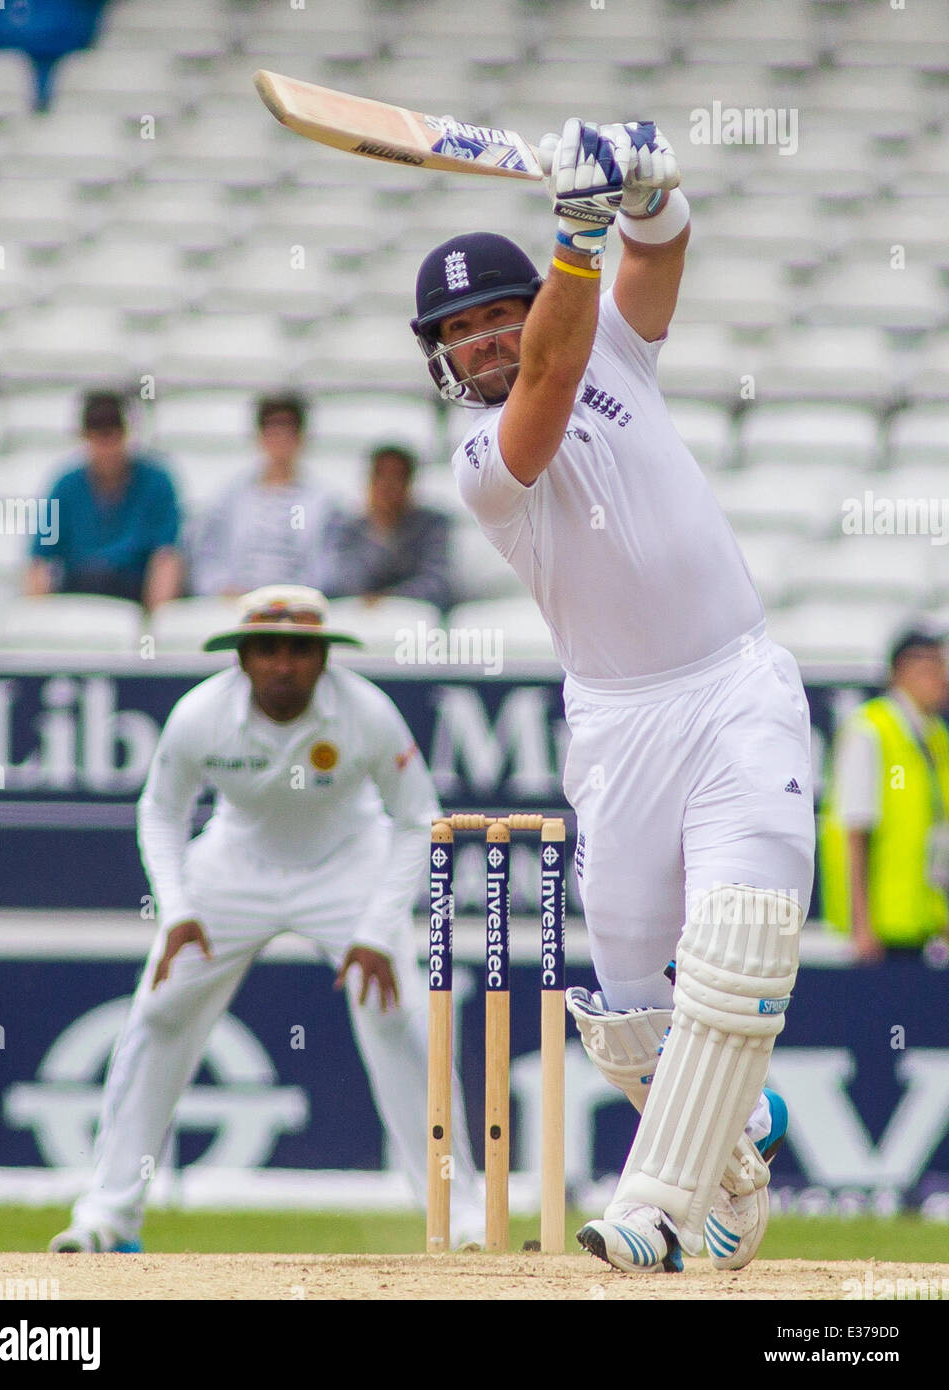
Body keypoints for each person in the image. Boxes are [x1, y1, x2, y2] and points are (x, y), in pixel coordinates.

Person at [410, 119, 815, 1273]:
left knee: (739, 944)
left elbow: (657, 261)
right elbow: (547, 370)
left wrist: (649, 190)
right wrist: (579, 230)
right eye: (458, 332)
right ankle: (730, 1152)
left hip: (734, 685)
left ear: (531, 302)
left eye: (495, 313)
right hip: (618, 725)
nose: (482, 342)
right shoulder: (484, 463)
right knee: (630, 1008)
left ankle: (655, 1208)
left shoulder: (617, 351)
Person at [49, 585, 482, 1253]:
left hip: (348, 865)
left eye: (301, 650)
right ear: (243, 657)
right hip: (234, 867)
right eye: (269, 650)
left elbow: (417, 820)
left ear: (323, 656)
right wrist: (178, 909)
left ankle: (457, 1222)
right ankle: (107, 1219)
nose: (284, 665)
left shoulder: (365, 712)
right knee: (159, 1012)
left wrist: (373, 929)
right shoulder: (200, 716)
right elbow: (160, 813)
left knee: (404, 1021)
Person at [820, 629, 949, 962]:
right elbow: (855, 829)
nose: (942, 679)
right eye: (933, 667)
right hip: (883, 927)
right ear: (903, 671)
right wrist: (862, 927)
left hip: (923, 920)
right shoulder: (871, 730)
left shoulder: (935, 736)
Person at [25, 390, 183, 610]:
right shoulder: (65, 486)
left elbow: (166, 555)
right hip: (78, 589)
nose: (108, 450)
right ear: (85, 437)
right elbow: (39, 561)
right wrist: (41, 616)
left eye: (114, 437)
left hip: (133, 590)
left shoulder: (157, 482)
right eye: (99, 438)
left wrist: (155, 619)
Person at [187, 393, 336, 597]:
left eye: (288, 431)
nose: (280, 440)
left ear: (301, 438)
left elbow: (328, 569)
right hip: (236, 605)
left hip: (298, 608)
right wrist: (222, 589)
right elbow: (207, 558)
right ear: (260, 436)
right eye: (273, 430)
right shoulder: (228, 499)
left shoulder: (324, 503)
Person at [318, 443, 453, 611]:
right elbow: (333, 581)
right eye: (381, 476)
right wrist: (379, 529)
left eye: (397, 477)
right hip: (355, 614)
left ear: (410, 484)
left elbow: (438, 585)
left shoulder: (432, 525)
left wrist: (389, 599)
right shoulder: (345, 526)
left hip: (411, 617)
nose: (388, 486)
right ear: (369, 481)